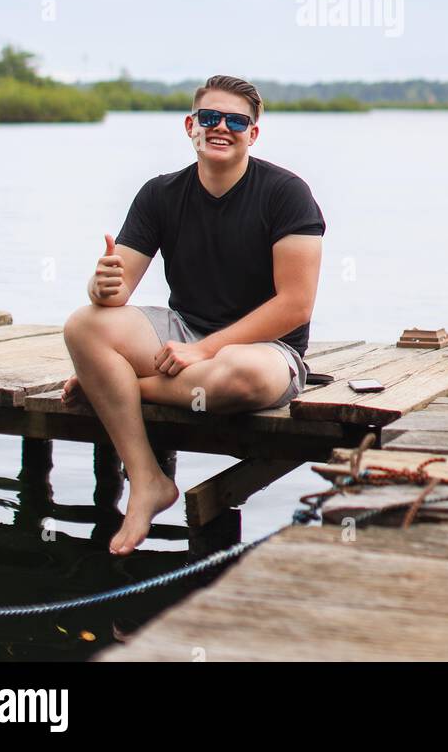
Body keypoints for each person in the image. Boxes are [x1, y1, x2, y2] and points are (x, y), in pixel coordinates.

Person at [62, 74, 326, 555]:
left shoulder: (287, 193)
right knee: (84, 323)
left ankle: (112, 388)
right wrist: (100, 287)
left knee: (240, 377)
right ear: (191, 126)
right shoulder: (160, 194)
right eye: (209, 117)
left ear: (253, 133)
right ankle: (147, 478)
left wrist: (200, 352)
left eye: (235, 120)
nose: (221, 127)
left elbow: (295, 305)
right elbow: (114, 293)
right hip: (183, 332)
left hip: (267, 348)